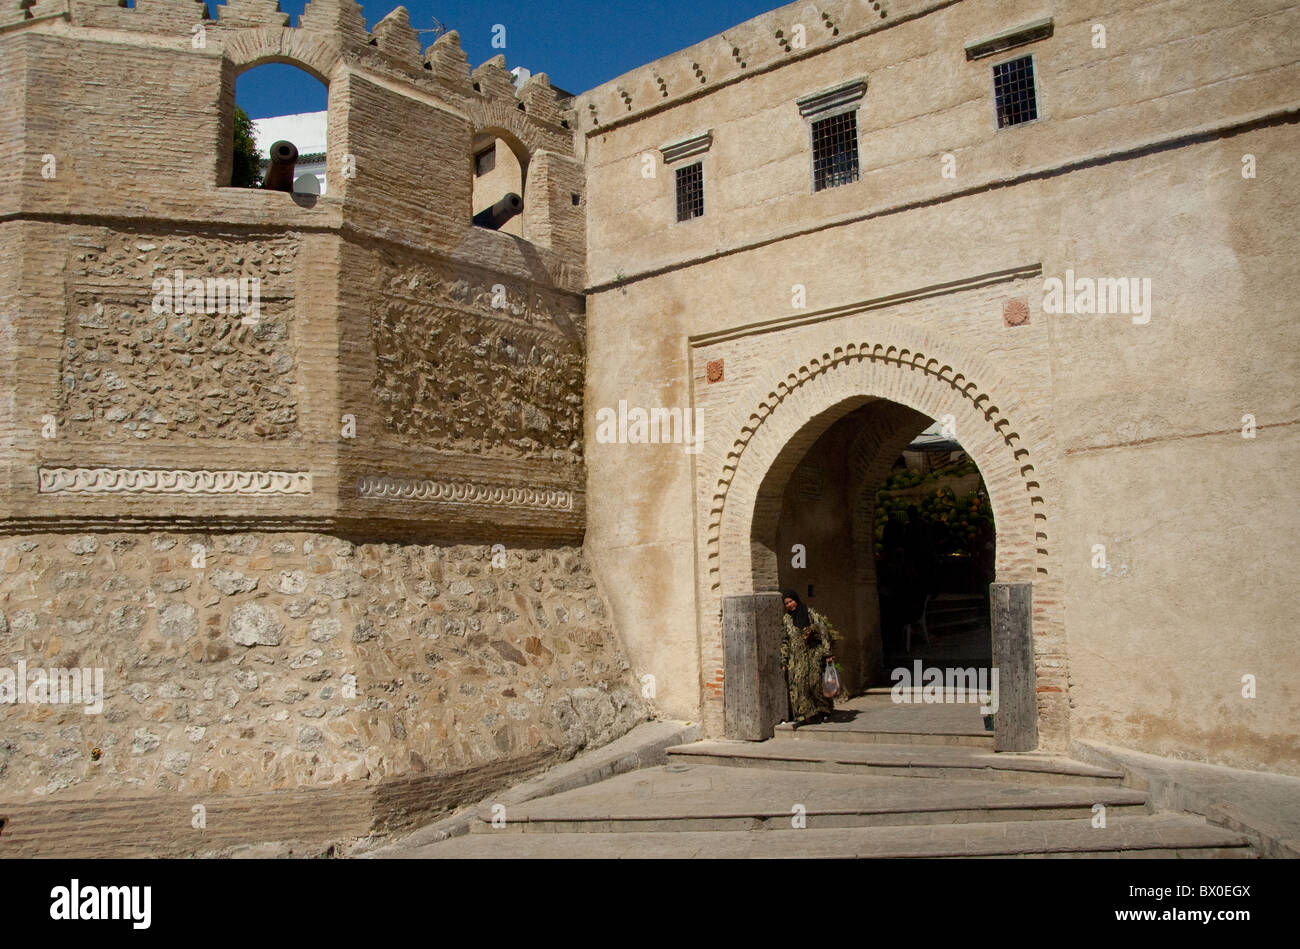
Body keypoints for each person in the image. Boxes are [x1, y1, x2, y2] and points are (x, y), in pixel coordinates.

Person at [779, 589, 843, 725]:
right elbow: (785, 640)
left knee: (815, 684)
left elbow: (824, 631)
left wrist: (827, 653)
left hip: (813, 655)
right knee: (798, 687)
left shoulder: (810, 613)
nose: (789, 605)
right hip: (796, 659)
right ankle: (805, 715)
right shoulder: (787, 619)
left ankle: (823, 711)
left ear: (796, 599)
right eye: (787, 603)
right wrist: (784, 659)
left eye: (791, 601)